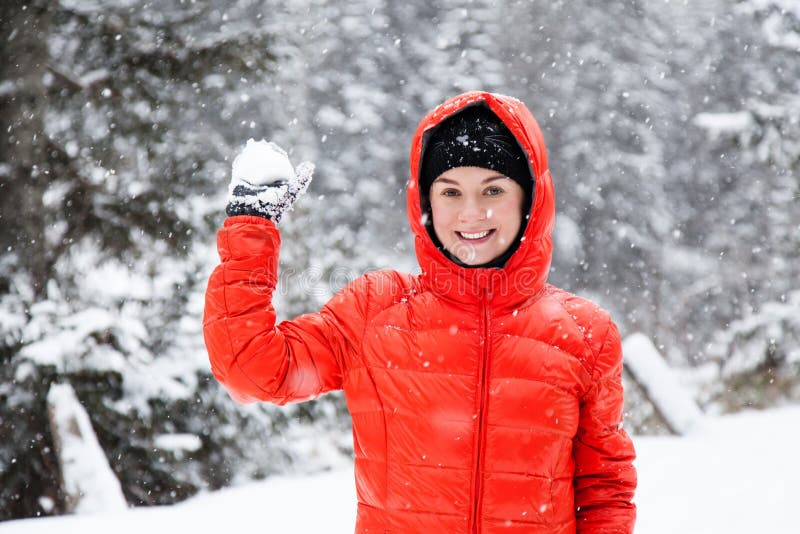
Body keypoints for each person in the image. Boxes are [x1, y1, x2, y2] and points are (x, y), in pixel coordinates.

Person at [204, 91, 637, 533]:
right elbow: (249, 368)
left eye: (493, 189)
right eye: (450, 191)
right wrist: (251, 230)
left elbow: (603, 490)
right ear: (426, 204)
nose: (471, 212)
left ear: (530, 199)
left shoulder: (585, 333)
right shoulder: (375, 311)